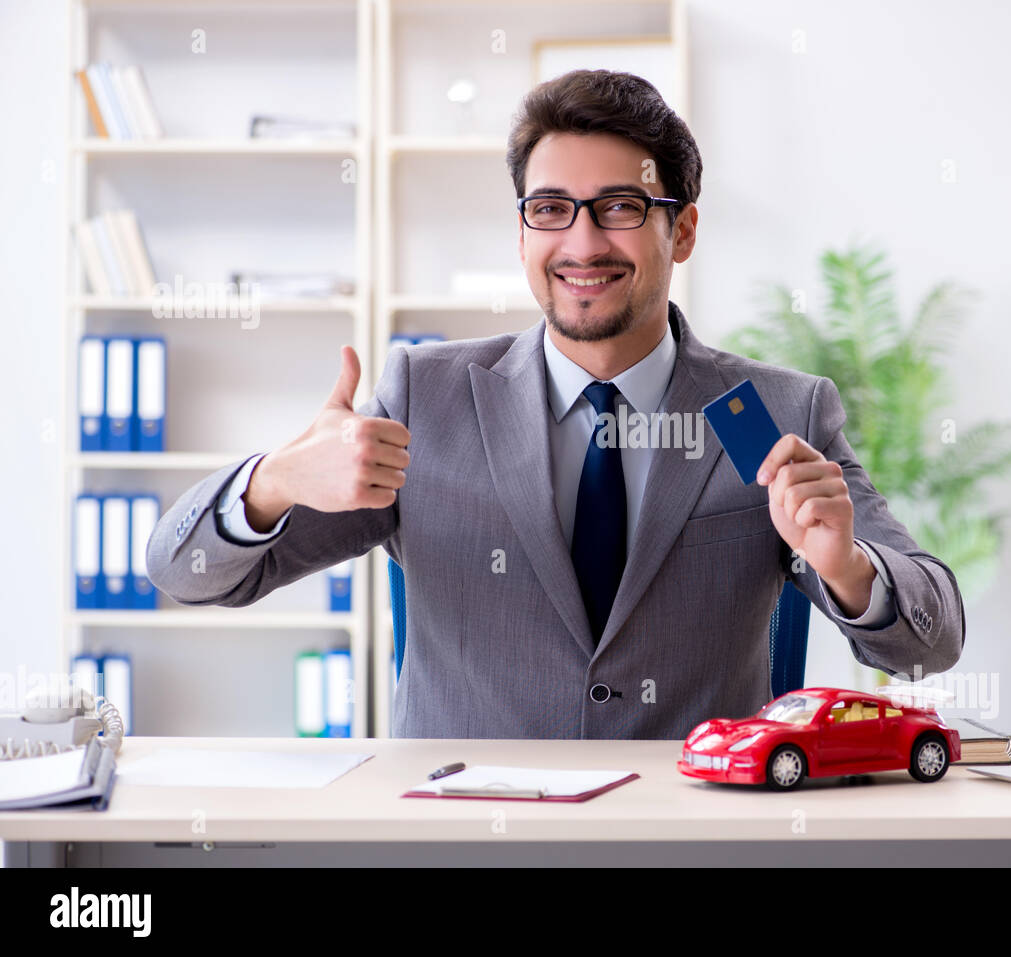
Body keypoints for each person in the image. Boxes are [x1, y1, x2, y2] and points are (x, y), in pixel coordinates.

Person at [146, 69, 965, 739]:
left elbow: (933, 644)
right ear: (522, 233)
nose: (581, 243)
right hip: (466, 844)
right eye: (551, 210)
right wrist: (273, 482)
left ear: (680, 232)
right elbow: (183, 575)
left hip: (687, 846)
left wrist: (847, 569)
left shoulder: (772, 413)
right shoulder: (423, 402)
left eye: (620, 207)